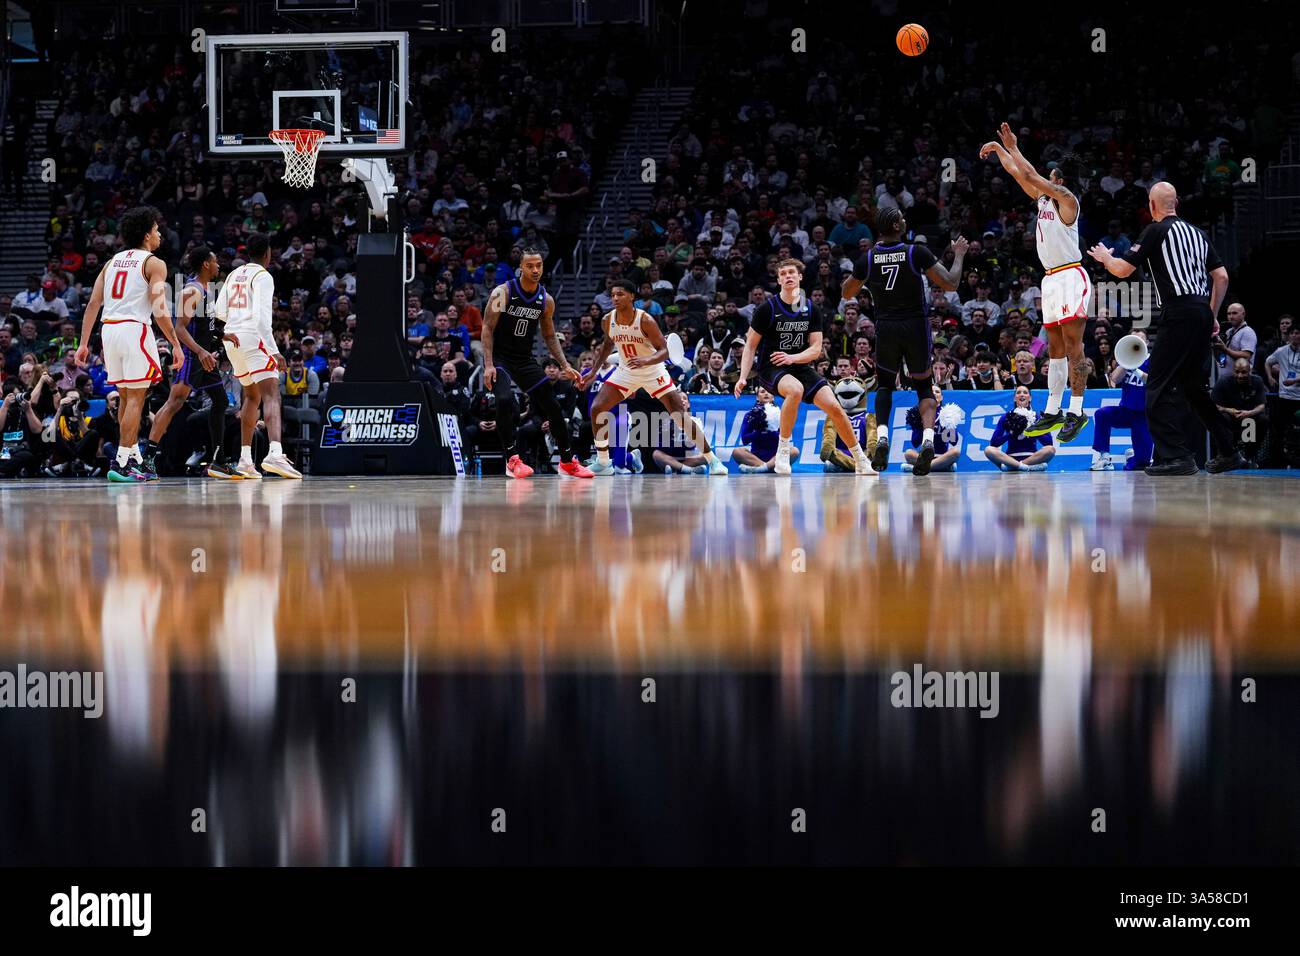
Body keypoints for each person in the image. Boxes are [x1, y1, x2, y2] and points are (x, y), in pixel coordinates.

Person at [1088, 182, 1245, 474]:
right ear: (1177, 203)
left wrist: (1105, 257)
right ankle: (1229, 450)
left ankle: (1177, 457)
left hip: (1179, 313)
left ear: (1151, 205)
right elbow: (1221, 277)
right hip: (1200, 311)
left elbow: (1122, 270)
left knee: (1155, 386)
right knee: (1193, 388)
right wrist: (1211, 314)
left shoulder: (1155, 230)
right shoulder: (1197, 233)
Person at [981, 124, 1090, 442]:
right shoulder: (1044, 200)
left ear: (1059, 181)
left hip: (1071, 275)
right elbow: (1019, 175)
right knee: (1055, 349)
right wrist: (1002, 152)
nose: (1048, 179)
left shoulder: (1068, 200)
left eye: (1051, 176)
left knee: (1074, 348)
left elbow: (1030, 175)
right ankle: (1054, 411)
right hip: (1051, 279)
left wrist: (1013, 147)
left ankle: (1077, 411)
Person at [840, 206, 968, 475]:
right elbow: (951, 284)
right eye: (901, 217)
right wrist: (959, 255)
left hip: (886, 326)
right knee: (924, 387)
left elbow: (847, 291)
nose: (905, 218)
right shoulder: (915, 252)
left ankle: (883, 438)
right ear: (897, 227)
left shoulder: (869, 257)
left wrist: (867, 270)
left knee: (885, 385)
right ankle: (929, 441)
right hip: (915, 326)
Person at [735, 258, 874, 475]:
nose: (788, 276)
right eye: (783, 273)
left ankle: (860, 459)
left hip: (798, 365)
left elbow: (816, 349)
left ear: (800, 276)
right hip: (772, 367)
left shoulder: (811, 309)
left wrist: (793, 358)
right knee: (795, 390)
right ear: (778, 279)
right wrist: (743, 377)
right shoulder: (766, 309)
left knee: (835, 407)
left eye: (792, 272)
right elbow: (750, 345)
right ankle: (783, 450)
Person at [74, 205, 183, 482]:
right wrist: (175, 344)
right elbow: (159, 308)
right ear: (147, 234)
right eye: (157, 230)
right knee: (136, 398)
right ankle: (122, 461)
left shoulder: (111, 263)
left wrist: (84, 343)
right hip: (134, 329)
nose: (159, 235)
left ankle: (133, 455)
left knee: (126, 397)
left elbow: (92, 304)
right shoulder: (154, 263)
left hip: (108, 331)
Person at [581, 279, 728, 475]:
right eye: (613, 295)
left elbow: (665, 351)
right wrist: (592, 372)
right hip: (626, 371)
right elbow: (608, 345)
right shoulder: (608, 319)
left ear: (632, 296)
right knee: (597, 408)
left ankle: (713, 460)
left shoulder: (645, 320)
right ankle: (603, 461)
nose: (615, 298)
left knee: (680, 417)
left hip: (652, 371)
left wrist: (646, 361)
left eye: (620, 294)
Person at [481, 247, 593, 478]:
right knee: (503, 399)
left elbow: (550, 336)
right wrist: (489, 364)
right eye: (530, 266)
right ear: (521, 267)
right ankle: (512, 460)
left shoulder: (546, 300)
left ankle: (566, 462)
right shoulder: (503, 292)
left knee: (551, 405)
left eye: (539, 265)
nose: (535, 270)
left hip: (524, 358)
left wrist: (564, 365)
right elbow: (487, 328)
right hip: (501, 357)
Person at [141, 245, 240, 478]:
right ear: (206, 264)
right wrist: (200, 352)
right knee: (174, 403)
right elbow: (180, 328)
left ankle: (218, 460)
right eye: (215, 262)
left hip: (203, 357)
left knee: (220, 401)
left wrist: (223, 335)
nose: (218, 266)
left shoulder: (207, 290)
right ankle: (146, 460)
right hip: (192, 356)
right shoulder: (190, 291)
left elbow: (206, 325)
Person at [214, 233, 302, 479]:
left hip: (232, 340)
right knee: (271, 394)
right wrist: (274, 350)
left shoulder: (232, 275)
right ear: (268, 253)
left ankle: (244, 460)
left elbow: (219, 312)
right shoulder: (263, 276)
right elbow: (263, 318)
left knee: (251, 396)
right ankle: (275, 453)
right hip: (253, 336)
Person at [1091, 332, 1153, 471]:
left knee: (1141, 463)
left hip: (1144, 416)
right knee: (1102, 414)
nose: (1136, 341)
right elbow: (1115, 379)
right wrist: (1126, 363)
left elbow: (1152, 381)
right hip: (1125, 411)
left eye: (1140, 338)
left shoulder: (1152, 360)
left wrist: (1136, 368)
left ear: (1147, 342)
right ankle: (1104, 457)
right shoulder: (1125, 360)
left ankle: (1132, 456)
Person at [984, 386, 1057, 471]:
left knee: (1051, 450)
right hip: (1010, 458)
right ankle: (1024, 467)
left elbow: (1049, 443)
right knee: (988, 450)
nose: (1022, 395)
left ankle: (1017, 467)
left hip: (1032, 458)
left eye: (1025, 392)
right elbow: (994, 443)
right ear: (1014, 398)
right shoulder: (1007, 417)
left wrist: (1033, 429)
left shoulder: (1037, 417)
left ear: (1030, 398)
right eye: (1018, 393)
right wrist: (1011, 433)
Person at [1212, 356, 1267, 464]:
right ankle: (1225, 455)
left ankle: (1249, 456)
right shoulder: (1223, 381)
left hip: (1248, 419)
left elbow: (1261, 405)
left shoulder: (1257, 381)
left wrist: (1249, 413)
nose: (1240, 375)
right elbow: (1213, 405)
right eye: (1237, 372)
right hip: (1230, 418)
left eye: (1243, 372)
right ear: (1233, 371)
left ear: (1249, 371)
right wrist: (1229, 410)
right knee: (1221, 418)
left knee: (1262, 419)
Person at [733, 386, 798, 473]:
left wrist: (770, 432)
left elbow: (786, 437)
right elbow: (745, 439)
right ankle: (768, 467)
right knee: (737, 451)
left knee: (794, 451)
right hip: (756, 457)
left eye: (769, 391)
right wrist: (759, 432)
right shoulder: (750, 415)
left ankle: (761, 469)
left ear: (773, 396)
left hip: (776, 456)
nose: (766, 393)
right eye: (762, 392)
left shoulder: (781, 414)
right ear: (757, 397)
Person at [1263, 323, 1300, 468]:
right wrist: (1270, 377)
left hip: (1299, 397)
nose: (1295, 336)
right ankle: (1278, 461)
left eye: (1298, 333)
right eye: (1293, 333)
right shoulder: (1281, 351)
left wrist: (1295, 380)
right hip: (1284, 396)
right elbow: (1267, 362)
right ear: (1289, 336)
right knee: (1279, 430)